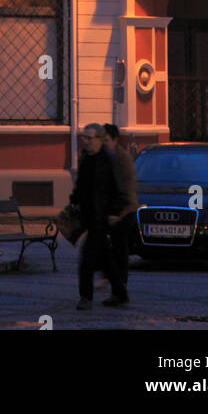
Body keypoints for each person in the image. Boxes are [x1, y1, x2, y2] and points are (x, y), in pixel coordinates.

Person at [69, 122, 129, 309]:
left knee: (87, 258)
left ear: (99, 139)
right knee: (106, 257)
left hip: (102, 217)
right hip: (89, 215)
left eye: (89, 137)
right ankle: (120, 293)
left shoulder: (109, 159)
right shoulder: (87, 157)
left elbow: (120, 189)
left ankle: (86, 297)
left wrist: (114, 212)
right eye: (84, 137)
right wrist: (74, 201)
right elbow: (81, 185)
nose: (85, 141)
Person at [104, 123, 139, 293]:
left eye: (107, 140)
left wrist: (120, 214)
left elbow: (128, 191)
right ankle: (114, 283)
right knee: (110, 248)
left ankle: (120, 287)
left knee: (119, 249)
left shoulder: (122, 159)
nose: (104, 144)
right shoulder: (105, 157)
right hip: (112, 210)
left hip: (124, 211)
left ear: (115, 140)